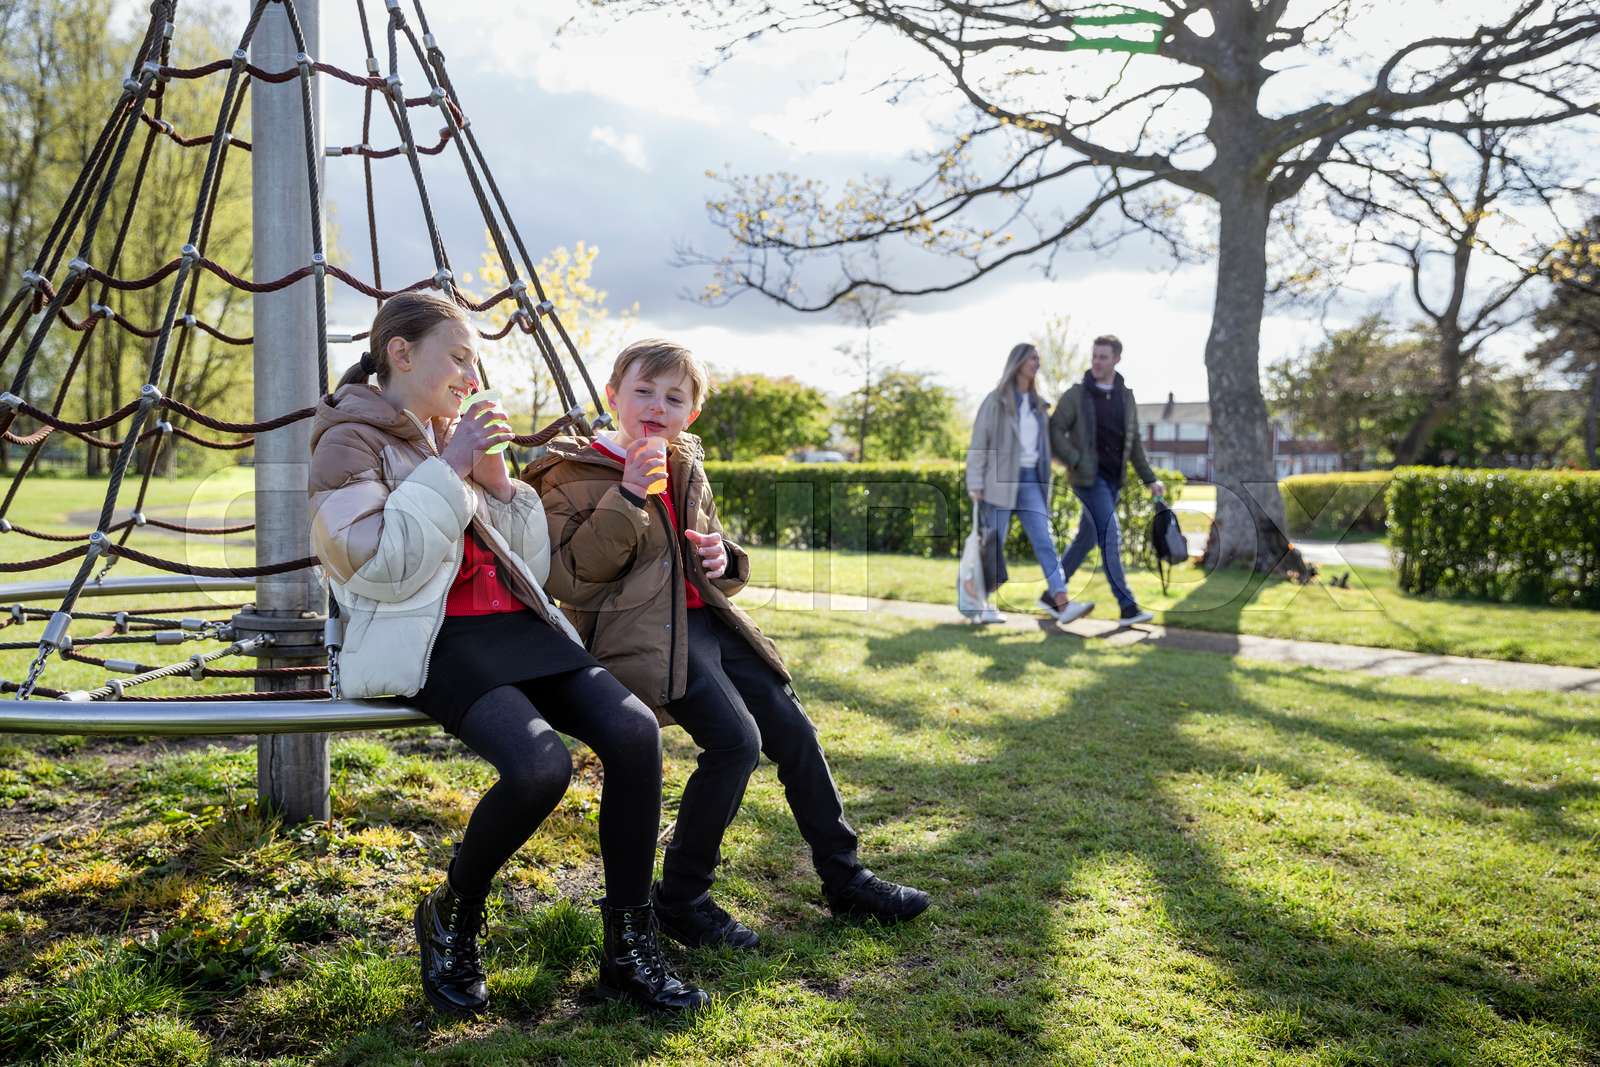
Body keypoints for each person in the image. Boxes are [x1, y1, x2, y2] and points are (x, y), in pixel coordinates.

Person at [308, 294, 706, 1017]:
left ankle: (628, 948)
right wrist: (448, 468)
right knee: (539, 766)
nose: (471, 375)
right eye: (459, 357)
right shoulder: (346, 441)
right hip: (431, 636)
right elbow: (377, 568)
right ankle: (453, 912)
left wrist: (498, 486)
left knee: (634, 730)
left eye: (474, 362)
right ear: (401, 353)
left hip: (515, 624)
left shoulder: (450, 433)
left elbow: (533, 566)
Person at [526, 339, 930, 951]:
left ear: (691, 414)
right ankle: (682, 898)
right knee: (736, 744)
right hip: (644, 633)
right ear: (612, 396)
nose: (656, 407)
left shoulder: (685, 464)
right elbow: (574, 576)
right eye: (643, 391)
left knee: (795, 733)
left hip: (709, 622)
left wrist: (723, 558)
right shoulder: (569, 473)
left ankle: (844, 877)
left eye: (674, 398)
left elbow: (709, 556)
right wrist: (628, 494)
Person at [964, 343, 1090, 625]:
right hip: (999, 482)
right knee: (993, 546)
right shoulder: (995, 400)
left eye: (1038, 358)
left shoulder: (1039, 405)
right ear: (1018, 362)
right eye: (1032, 358)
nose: (1036, 363)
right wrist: (975, 482)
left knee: (1045, 541)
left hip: (1032, 480)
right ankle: (982, 604)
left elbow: (1047, 445)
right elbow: (979, 442)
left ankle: (1062, 602)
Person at [1048, 334, 1166, 627]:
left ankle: (1051, 595)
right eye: (1094, 356)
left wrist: (1150, 479)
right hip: (1088, 479)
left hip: (1113, 480)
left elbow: (1134, 442)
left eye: (1103, 357)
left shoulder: (1126, 396)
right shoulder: (1077, 394)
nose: (1097, 362)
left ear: (1117, 359)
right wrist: (1075, 459)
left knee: (1086, 539)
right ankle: (1127, 606)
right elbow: (1054, 428)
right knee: (1110, 535)